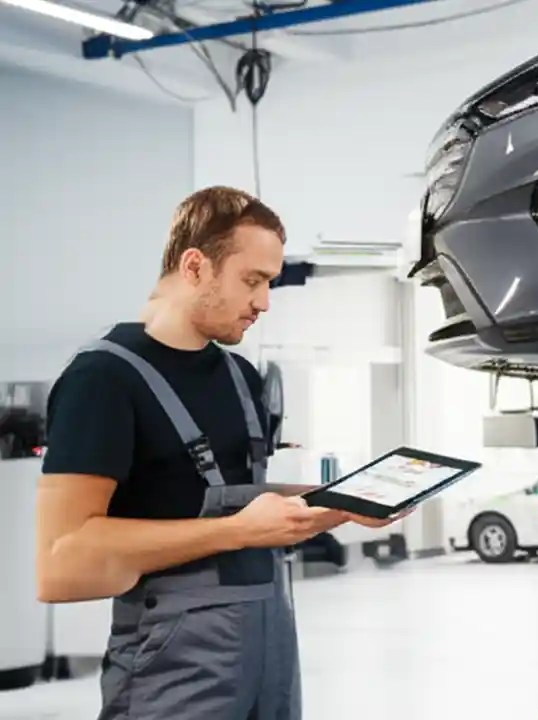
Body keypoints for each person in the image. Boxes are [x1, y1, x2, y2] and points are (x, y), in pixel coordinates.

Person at [35, 186, 397, 719]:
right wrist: (241, 532)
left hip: (267, 653)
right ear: (195, 266)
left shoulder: (240, 377)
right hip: (171, 669)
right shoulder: (102, 380)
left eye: (269, 283)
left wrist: (343, 501)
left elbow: (231, 498)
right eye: (252, 281)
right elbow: (60, 563)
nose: (264, 302)